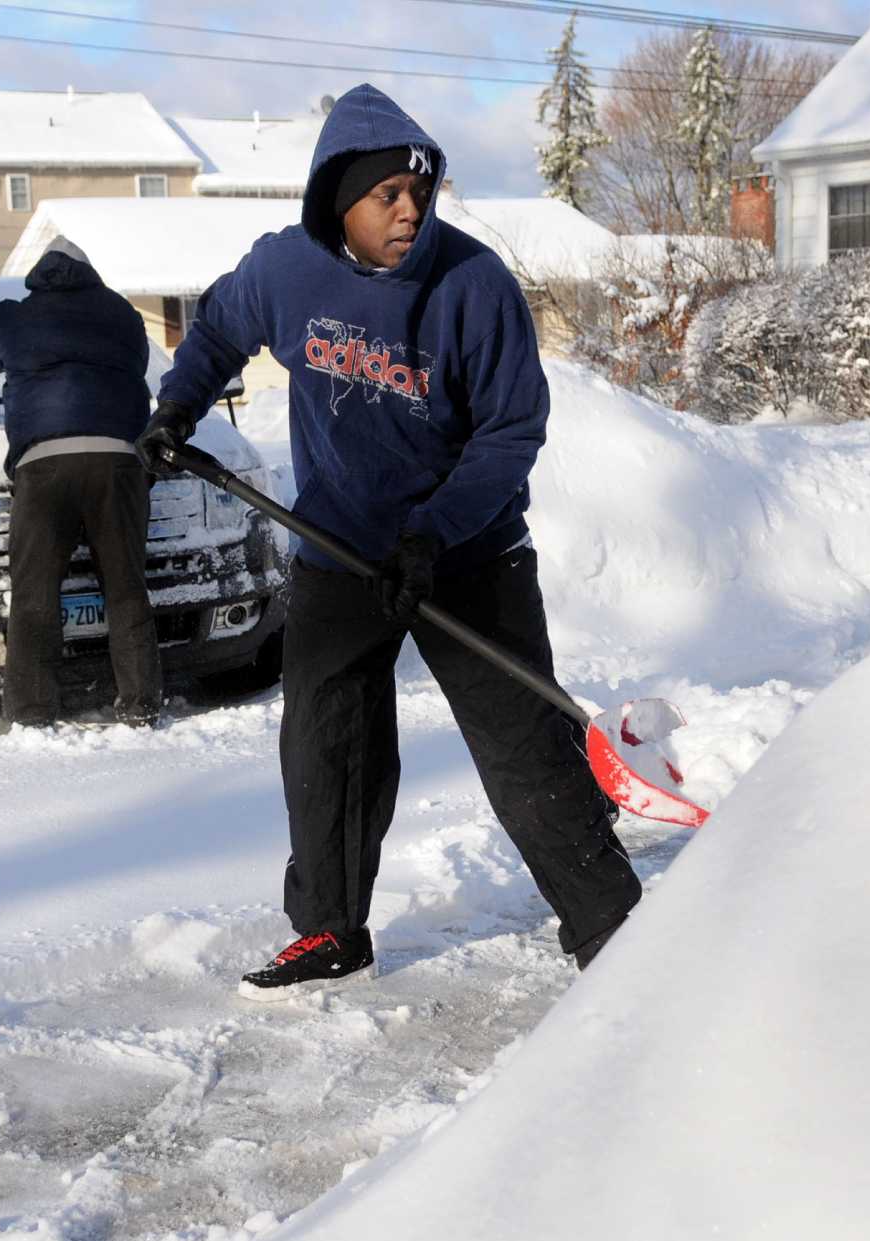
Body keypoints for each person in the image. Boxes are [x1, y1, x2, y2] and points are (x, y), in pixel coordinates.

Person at [138, 84, 642, 1000]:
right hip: (338, 548)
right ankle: (330, 929)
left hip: (470, 552)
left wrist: (434, 532)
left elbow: (510, 430)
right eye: (387, 196)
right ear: (340, 201)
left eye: (421, 191)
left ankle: (613, 927)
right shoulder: (287, 271)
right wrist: (177, 405)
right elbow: (217, 328)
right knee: (328, 744)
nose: (410, 209)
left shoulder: (472, 284)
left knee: (524, 745)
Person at [0, 236, 163, 729]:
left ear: (38, 275)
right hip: (118, 461)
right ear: (91, 274)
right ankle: (141, 706)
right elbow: (136, 371)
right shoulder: (125, 316)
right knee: (127, 588)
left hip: (43, 465)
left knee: (35, 593)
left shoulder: (11, 316)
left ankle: (32, 712)